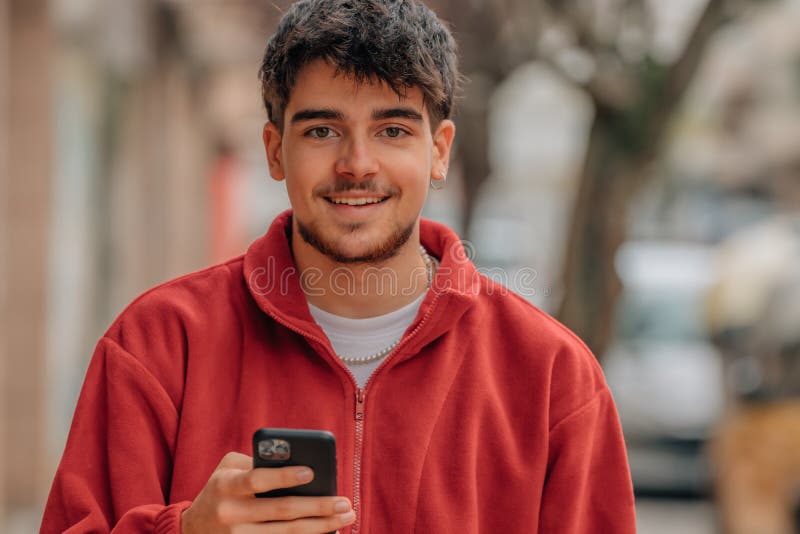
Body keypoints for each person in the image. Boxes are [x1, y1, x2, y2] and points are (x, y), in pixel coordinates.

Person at [41, 0, 636, 532]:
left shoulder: (552, 377)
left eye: (392, 130)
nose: (357, 164)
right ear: (275, 150)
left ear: (438, 151)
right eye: (322, 130)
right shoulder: (158, 345)